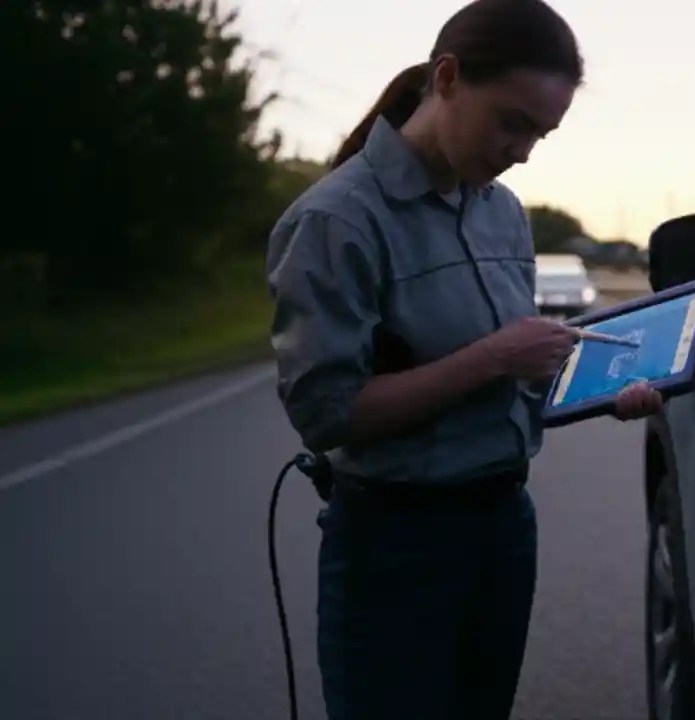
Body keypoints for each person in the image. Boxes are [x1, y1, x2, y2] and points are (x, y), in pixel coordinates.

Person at [264, 1, 663, 717]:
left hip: (504, 528)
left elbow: (515, 382)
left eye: (542, 133)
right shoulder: (337, 220)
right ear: (446, 78)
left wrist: (609, 389)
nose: (524, 150)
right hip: (394, 549)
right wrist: (491, 358)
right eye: (511, 122)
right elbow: (326, 413)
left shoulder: (503, 212)